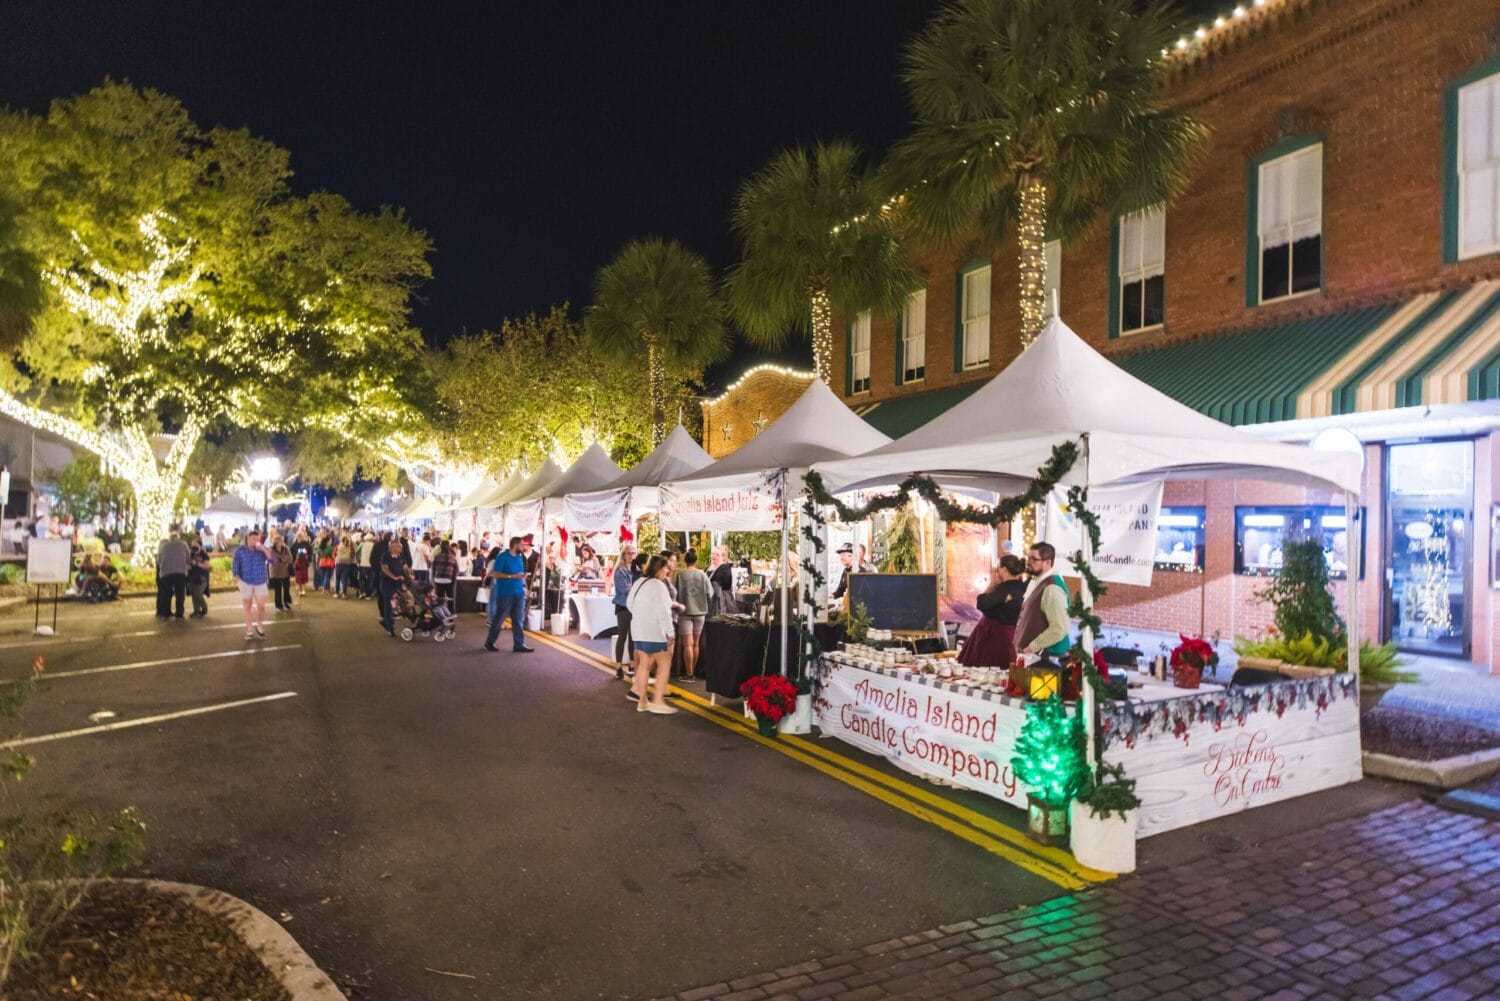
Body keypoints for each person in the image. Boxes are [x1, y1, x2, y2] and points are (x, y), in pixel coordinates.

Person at [628, 555, 679, 715]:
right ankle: (657, 701)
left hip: (638, 629)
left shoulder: (639, 582)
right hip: (654, 630)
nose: (667, 571)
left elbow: (630, 604)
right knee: (664, 663)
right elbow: (664, 611)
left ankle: (643, 701)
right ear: (658, 569)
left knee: (644, 664)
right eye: (665, 568)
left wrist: (642, 615)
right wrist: (670, 632)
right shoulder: (658, 585)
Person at [959, 555, 1027, 668]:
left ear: (1004, 569)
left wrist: (991, 583)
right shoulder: (1023, 587)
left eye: (998, 567)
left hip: (995, 636)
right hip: (1012, 633)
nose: (995, 570)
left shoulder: (1003, 588)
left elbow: (981, 604)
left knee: (988, 668)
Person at [1016, 543, 1072, 661]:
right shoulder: (1037, 580)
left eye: (1034, 559)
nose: (1028, 562)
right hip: (1035, 655)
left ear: (1047, 562)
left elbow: (1059, 628)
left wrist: (1031, 648)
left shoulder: (1052, 589)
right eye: (1028, 558)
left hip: (1047, 657)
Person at [484, 536, 532, 653]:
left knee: (518, 619)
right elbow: (495, 573)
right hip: (505, 593)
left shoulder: (519, 558)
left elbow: (520, 573)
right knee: (499, 618)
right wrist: (511, 576)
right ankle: (490, 641)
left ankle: (519, 644)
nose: (523, 546)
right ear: (515, 544)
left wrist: (524, 584)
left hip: (519, 592)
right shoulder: (502, 557)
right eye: (521, 544)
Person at [674, 549, 710, 682]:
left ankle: (689, 674)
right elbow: (710, 593)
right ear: (696, 561)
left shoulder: (680, 575)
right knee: (696, 644)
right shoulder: (703, 575)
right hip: (701, 612)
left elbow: (674, 594)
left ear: (685, 561)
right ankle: (692, 672)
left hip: (685, 613)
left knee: (687, 645)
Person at [231, 530, 272, 640]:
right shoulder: (240, 551)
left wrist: (263, 548)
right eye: (253, 539)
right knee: (247, 606)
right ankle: (249, 629)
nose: (255, 541)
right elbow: (235, 565)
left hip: (260, 581)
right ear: (247, 539)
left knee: (261, 605)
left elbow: (272, 559)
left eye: (257, 539)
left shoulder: (261, 550)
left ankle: (259, 624)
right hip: (246, 582)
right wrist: (238, 580)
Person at [610, 545, 638, 678]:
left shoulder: (635, 570)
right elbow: (626, 589)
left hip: (634, 607)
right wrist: (636, 587)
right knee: (622, 636)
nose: (631, 556)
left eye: (633, 553)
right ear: (623, 555)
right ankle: (619, 666)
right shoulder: (620, 571)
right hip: (623, 607)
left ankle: (632, 665)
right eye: (628, 553)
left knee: (633, 637)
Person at [377, 536, 410, 636]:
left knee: (399, 605)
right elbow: (384, 568)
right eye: (398, 547)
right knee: (388, 606)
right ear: (392, 547)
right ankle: (390, 628)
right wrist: (394, 577)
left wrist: (409, 575)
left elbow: (405, 567)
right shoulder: (385, 556)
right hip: (387, 584)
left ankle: (386, 621)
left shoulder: (400, 556)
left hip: (398, 585)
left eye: (400, 546)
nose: (400, 548)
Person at [156, 528, 191, 620]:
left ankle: (166, 613)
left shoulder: (163, 546)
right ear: (178, 537)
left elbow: (158, 561)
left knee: (166, 594)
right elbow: (188, 558)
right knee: (180, 594)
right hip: (180, 572)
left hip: (166, 573)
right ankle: (179, 614)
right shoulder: (183, 545)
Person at [187, 538, 212, 617]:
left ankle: (204, 608)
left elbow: (206, 565)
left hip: (202, 577)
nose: (193, 548)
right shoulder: (190, 554)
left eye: (195, 545)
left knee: (198, 593)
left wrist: (196, 563)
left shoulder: (203, 554)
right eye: (192, 546)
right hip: (191, 576)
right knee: (194, 594)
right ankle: (196, 611)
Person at [431, 539, 458, 610]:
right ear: (449, 546)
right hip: (448, 579)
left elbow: (433, 569)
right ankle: (450, 612)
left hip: (438, 579)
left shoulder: (437, 556)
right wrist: (453, 580)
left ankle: (440, 612)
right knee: (450, 597)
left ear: (440, 547)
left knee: (439, 597)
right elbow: (456, 570)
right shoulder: (453, 557)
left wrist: (433, 579)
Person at [708, 545, 734, 615]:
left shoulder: (725, 568)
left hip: (721, 603)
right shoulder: (710, 567)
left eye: (717, 555)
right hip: (711, 601)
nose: (714, 556)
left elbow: (717, 586)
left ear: (723, 557)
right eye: (713, 553)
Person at [291, 528, 312, 596]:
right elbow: (292, 552)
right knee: (298, 576)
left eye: (301, 536)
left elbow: (309, 552)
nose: (299, 538)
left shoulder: (307, 543)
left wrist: (308, 559)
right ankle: (299, 588)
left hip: (304, 563)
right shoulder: (294, 544)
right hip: (297, 563)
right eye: (298, 536)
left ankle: (303, 588)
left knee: (304, 576)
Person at [334, 532, 356, 598]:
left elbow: (335, 554)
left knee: (337, 579)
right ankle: (344, 593)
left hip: (339, 563)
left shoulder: (339, 546)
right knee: (345, 579)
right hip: (347, 564)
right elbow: (353, 553)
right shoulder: (350, 546)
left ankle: (337, 593)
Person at [356, 532, 377, 599]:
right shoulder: (374, 545)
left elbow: (357, 552)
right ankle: (368, 595)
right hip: (371, 565)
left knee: (361, 579)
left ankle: (362, 592)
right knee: (370, 580)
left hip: (363, 563)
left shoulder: (362, 544)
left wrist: (359, 559)